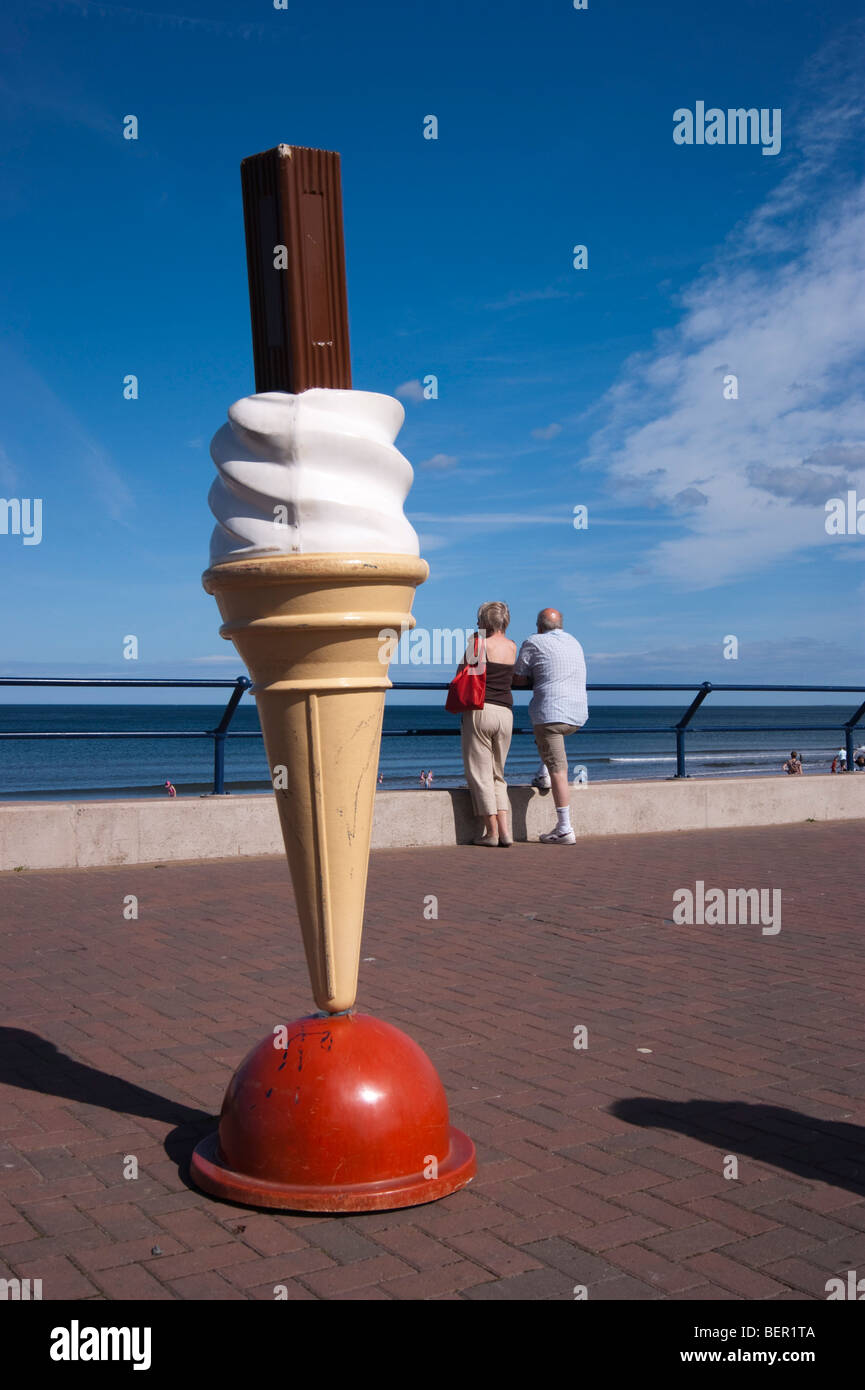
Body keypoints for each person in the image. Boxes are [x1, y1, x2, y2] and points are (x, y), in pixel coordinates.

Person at [512, 607, 588, 845]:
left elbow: (518, 678)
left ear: (538, 626)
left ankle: (564, 828)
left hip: (551, 714)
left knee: (559, 770)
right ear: (561, 625)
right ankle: (542, 772)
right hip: (577, 714)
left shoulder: (533, 641)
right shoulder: (575, 642)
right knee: (549, 746)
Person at [458, 601, 517, 847]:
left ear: (484, 621)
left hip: (481, 710)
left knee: (480, 775)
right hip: (506, 713)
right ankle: (506, 832)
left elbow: (464, 671)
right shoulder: (513, 646)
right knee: (497, 775)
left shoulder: (478, 644)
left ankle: (491, 833)